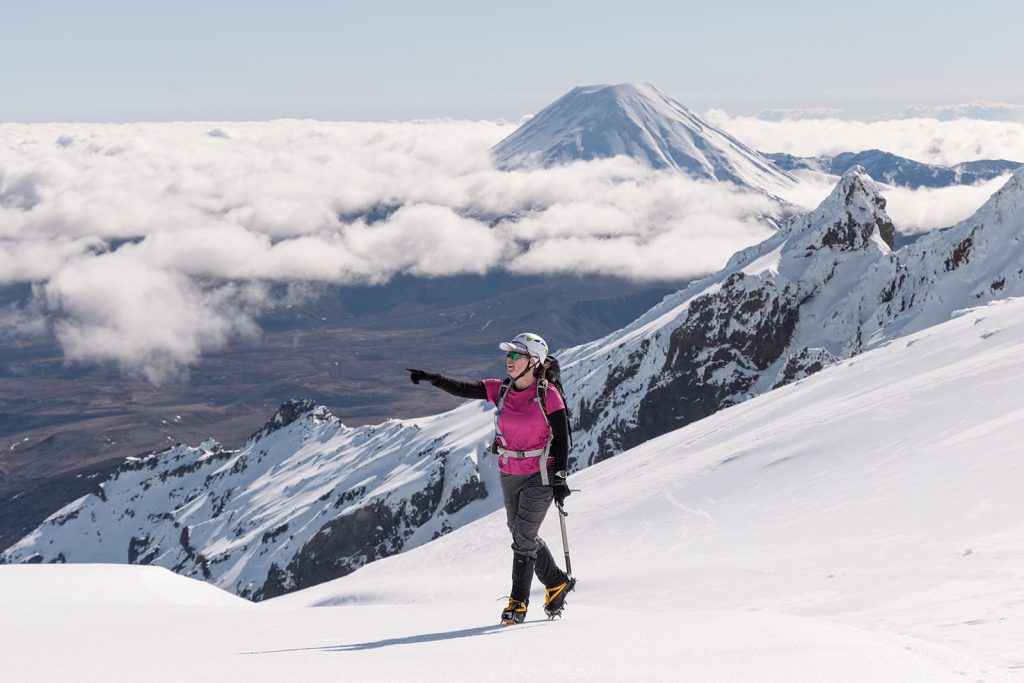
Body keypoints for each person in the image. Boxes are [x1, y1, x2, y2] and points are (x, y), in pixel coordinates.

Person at [407, 332, 575, 624]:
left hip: (541, 474)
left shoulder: (548, 394)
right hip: (510, 472)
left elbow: (562, 438)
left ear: (533, 361)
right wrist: (434, 378)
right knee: (519, 531)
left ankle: (517, 604)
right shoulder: (502, 389)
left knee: (523, 536)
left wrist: (560, 477)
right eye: (508, 354)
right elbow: (465, 388)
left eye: (516, 355)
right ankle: (556, 581)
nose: (509, 359)